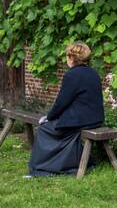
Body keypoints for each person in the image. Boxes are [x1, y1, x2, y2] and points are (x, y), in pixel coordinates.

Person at [26, 42, 105, 177]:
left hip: (80, 120)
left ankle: (40, 169)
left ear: (72, 58)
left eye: (67, 56)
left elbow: (61, 103)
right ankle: (72, 162)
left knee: (44, 129)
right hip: (96, 119)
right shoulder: (93, 73)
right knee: (60, 128)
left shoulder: (72, 75)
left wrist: (48, 117)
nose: (66, 59)